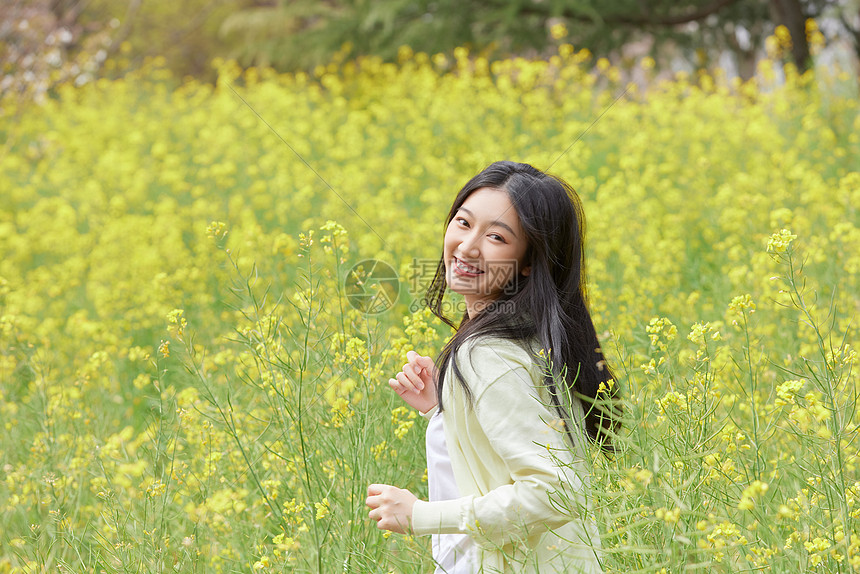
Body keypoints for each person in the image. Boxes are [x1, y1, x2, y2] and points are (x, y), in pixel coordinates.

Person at [366, 161, 620, 574]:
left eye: (497, 236)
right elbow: (511, 447)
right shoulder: (533, 339)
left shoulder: (488, 356)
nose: (467, 247)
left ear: (528, 262)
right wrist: (445, 407)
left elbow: (557, 491)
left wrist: (420, 515)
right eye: (463, 223)